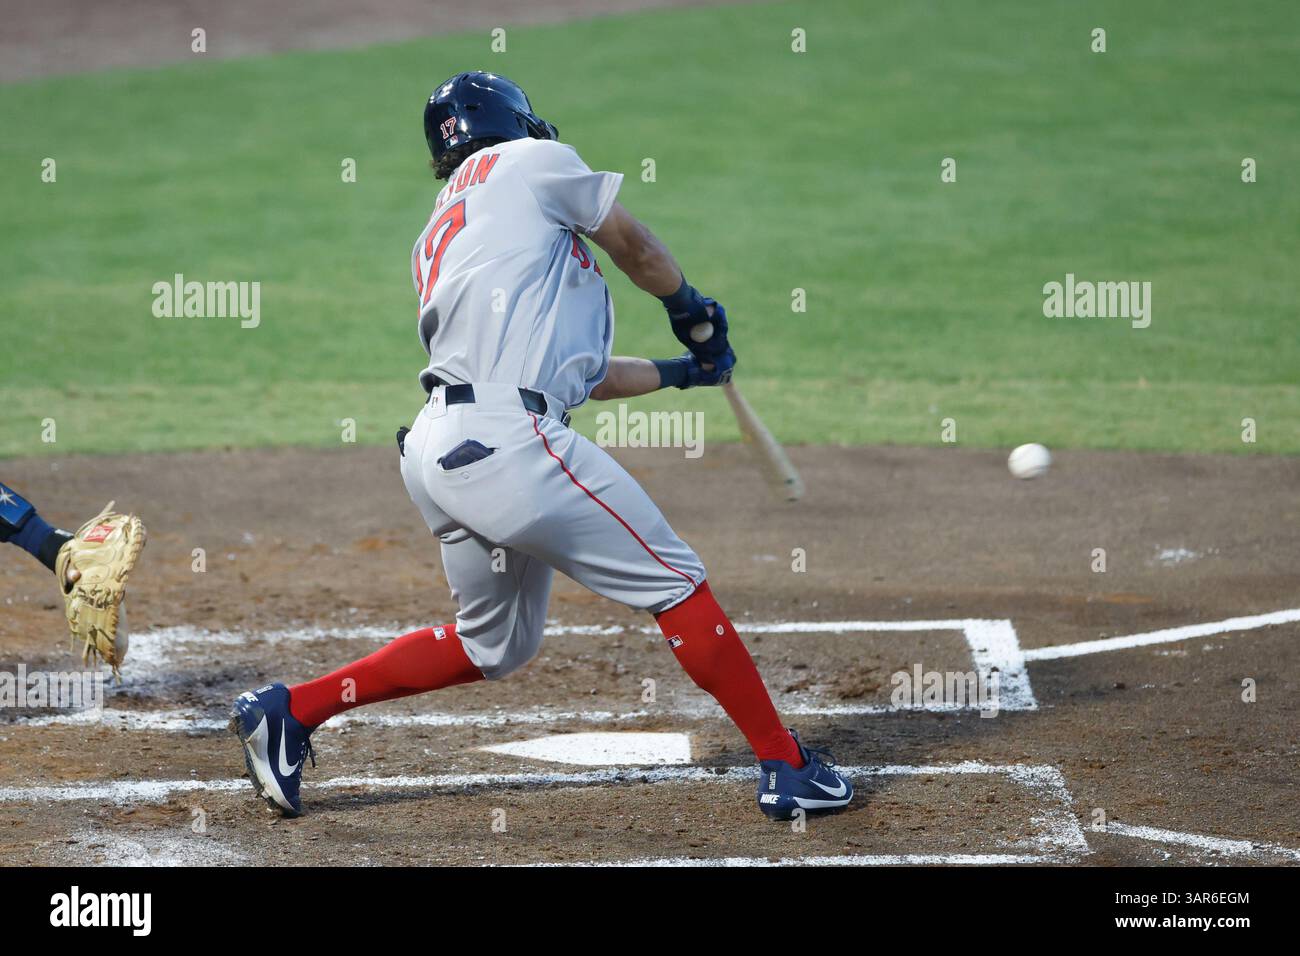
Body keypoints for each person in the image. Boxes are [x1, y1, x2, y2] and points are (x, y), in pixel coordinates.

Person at [231, 71, 852, 822]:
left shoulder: (448, 228)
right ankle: (786, 766)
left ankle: (291, 710)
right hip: (507, 443)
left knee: (495, 645)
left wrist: (684, 373)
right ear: (516, 121)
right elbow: (636, 242)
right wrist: (688, 307)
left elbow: (580, 378)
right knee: (676, 582)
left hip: (438, 449)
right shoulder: (529, 163)